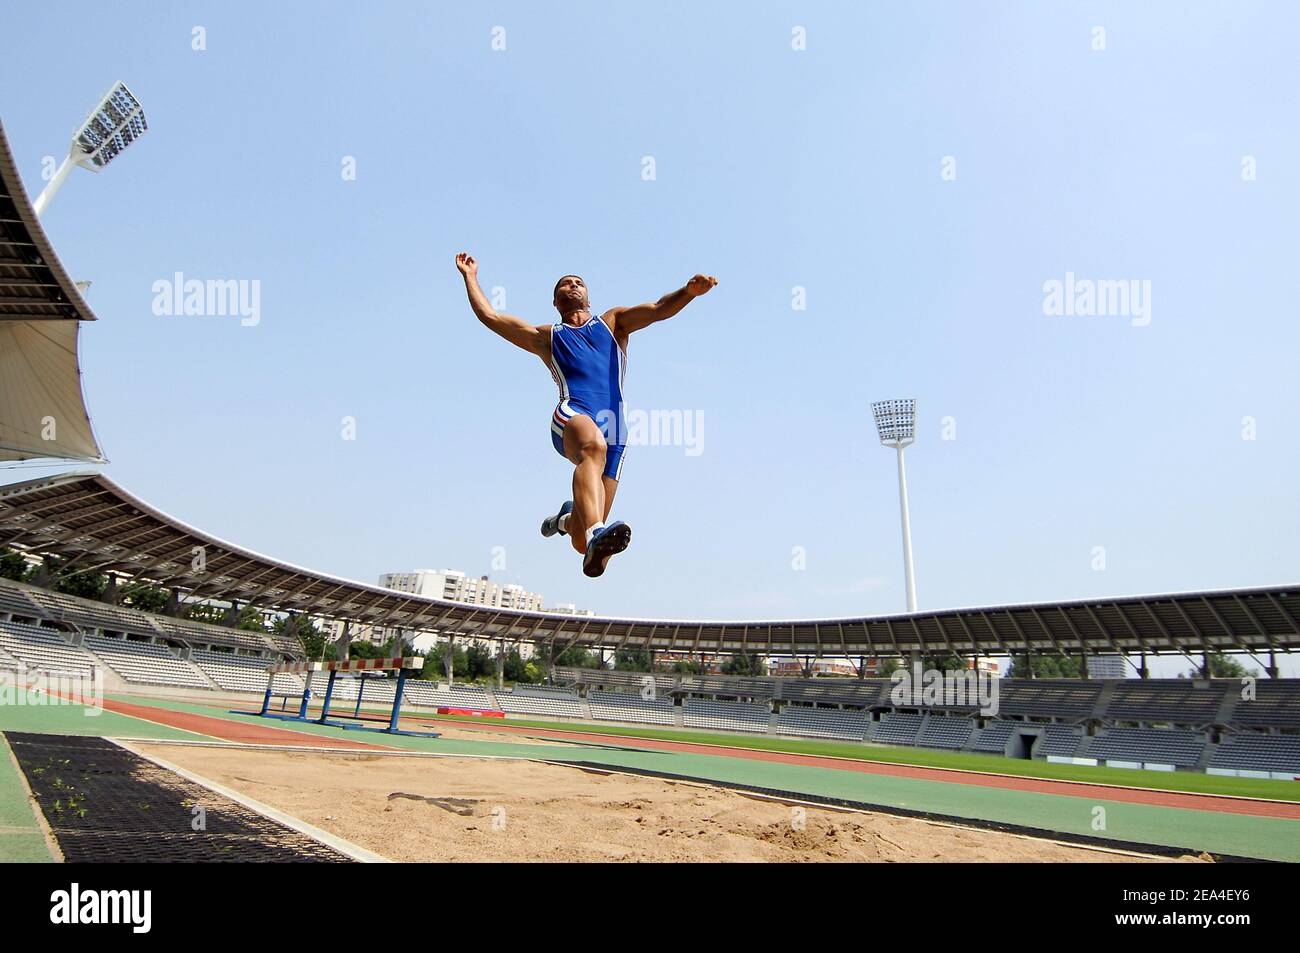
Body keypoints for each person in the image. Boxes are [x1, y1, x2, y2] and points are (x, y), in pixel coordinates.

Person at [455, 252, 717, 576]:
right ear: (556, 301)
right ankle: (596, 532)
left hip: (616, 430)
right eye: (565, 283)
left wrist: (688, 293)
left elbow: (658, 309)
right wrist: (470, 276)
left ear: (587, 296)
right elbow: (491, 317)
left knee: (580, 540)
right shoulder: (547, 338)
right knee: (593, 454)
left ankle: (567, 520)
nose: (573, 284)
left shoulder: (614, 323)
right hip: (573, 414)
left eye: (578, 282)